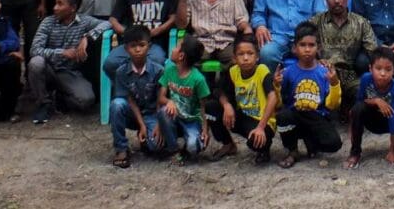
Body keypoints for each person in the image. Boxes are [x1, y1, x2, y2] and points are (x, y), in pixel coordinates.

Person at [28, 0, 112, 124]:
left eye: (60, 4)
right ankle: (43, 103)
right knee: (36, 62)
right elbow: (35, 50)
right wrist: (62, 52)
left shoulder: (84, 22)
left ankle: (61, 96)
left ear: (73, 8)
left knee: (86, 100)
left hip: (69, 72)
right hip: (48, 69)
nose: (55, 7)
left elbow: (108, 23)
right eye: (55, 3)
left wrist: (87, 38)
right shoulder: (48, 22)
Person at [274, 21, 343, 168]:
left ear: (319, 48)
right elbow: (279, 103)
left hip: (316, 116)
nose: (307, 49)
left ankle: (310, 140)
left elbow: (332, 105)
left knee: (334, 144)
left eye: (311, 45)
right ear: (294, 48)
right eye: (302, 45)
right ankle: (292, 151)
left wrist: (334, 83)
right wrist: (277, 85)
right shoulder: (288, 72)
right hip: (295, 114)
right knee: (283, 116)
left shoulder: (324, 72)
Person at [203, 35, 278, 165]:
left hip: (262, 121)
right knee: (211, 107)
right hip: (242, 116)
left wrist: (261, 127)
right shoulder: (233, 71)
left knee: (256, 141)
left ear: (257, 56)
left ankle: (264, 150)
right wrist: (226, 105)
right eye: (241, 54)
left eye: (250, 53)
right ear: (234, 58)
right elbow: (218, 90)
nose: (245, 58)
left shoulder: (262, 71)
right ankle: (228, 144)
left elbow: (273, 97)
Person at [103, 0, 177, 81]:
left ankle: (148, 95)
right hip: (130, 44)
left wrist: (157, 30)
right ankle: (127, 90)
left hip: (153, 44)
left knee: (156, 61)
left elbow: (173, 18)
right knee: (110, 63)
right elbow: (113, 19)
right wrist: (126, 32)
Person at [310, 0, 377, 109]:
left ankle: (349, 112)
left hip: (351, 75)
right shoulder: (315, 22)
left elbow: (373, 51)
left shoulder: (361, 23)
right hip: (323, 74)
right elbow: (301, 46)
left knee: (364, 94)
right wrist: (315, 61)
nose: (336, 1)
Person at [175, 0, 251, 66]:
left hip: (227, 42)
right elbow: (181, 25)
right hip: (201, 42)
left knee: (239, 61)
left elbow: (241, 21)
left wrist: (247, 29)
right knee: (187, 61)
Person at [109, 25, 166, 167]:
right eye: (133, 46)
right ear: (126, 48)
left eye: (142, 45)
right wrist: (141, 125)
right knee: (116, 104)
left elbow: (161, 100)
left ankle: (146, 140)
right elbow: (129, 98)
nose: (138, 50)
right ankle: (121, 148)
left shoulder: (158, 70)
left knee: (156, 147)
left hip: (152, 114)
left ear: (149, 47)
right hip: (132, 113)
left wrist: (159, 125)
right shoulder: (121, 71)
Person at [345, 47, 394, 168]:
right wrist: (376, 101)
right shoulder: (366, 79)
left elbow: (393, 120)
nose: (383, 73)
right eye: (378, 68)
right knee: (357, 109)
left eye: (388, 69)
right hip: (371, 119)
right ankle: (355, 152)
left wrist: (392, 151)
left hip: (387, 121)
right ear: (370, 68)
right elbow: (359, 101)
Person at [156, 33, 212, 164]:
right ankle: (174, 149)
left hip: (192, 121)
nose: (173, 49)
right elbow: (160, 97)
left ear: (181, 56)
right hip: (175, 116)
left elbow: (204, 107)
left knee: (195, 146)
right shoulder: (169, 70)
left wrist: (205, 130)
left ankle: (187, 148)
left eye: (176, 47)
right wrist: (169, 101)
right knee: (163, 112)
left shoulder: (198, 79)